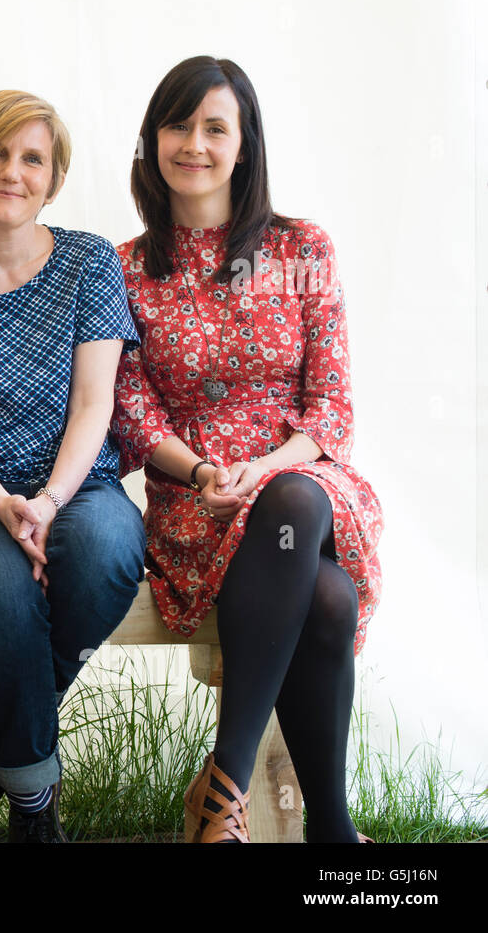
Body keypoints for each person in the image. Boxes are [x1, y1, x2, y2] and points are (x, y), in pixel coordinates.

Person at [112, 55, 384, 843]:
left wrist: (265, 467)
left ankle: (220, 789)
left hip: (303, 480)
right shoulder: (125, 269)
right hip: (196, 502)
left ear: (244, 144)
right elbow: (132, 404)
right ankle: (331, 834)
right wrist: (202, 473)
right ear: (153, 139)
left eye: (215, 127)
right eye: (177, 123)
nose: (193, 143)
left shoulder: (303, 249)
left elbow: (331, 403)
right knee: (326, 599)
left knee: (293, 498)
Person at [0, 90, 146, 843]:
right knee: (4, 596)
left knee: (108, 550)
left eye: (32, 158)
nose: (12, 171)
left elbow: (93, 407)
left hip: (78, 482)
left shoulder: (89, 261)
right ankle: (37, 818)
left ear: (53, 179)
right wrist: (6, 503)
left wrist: (44, 501)